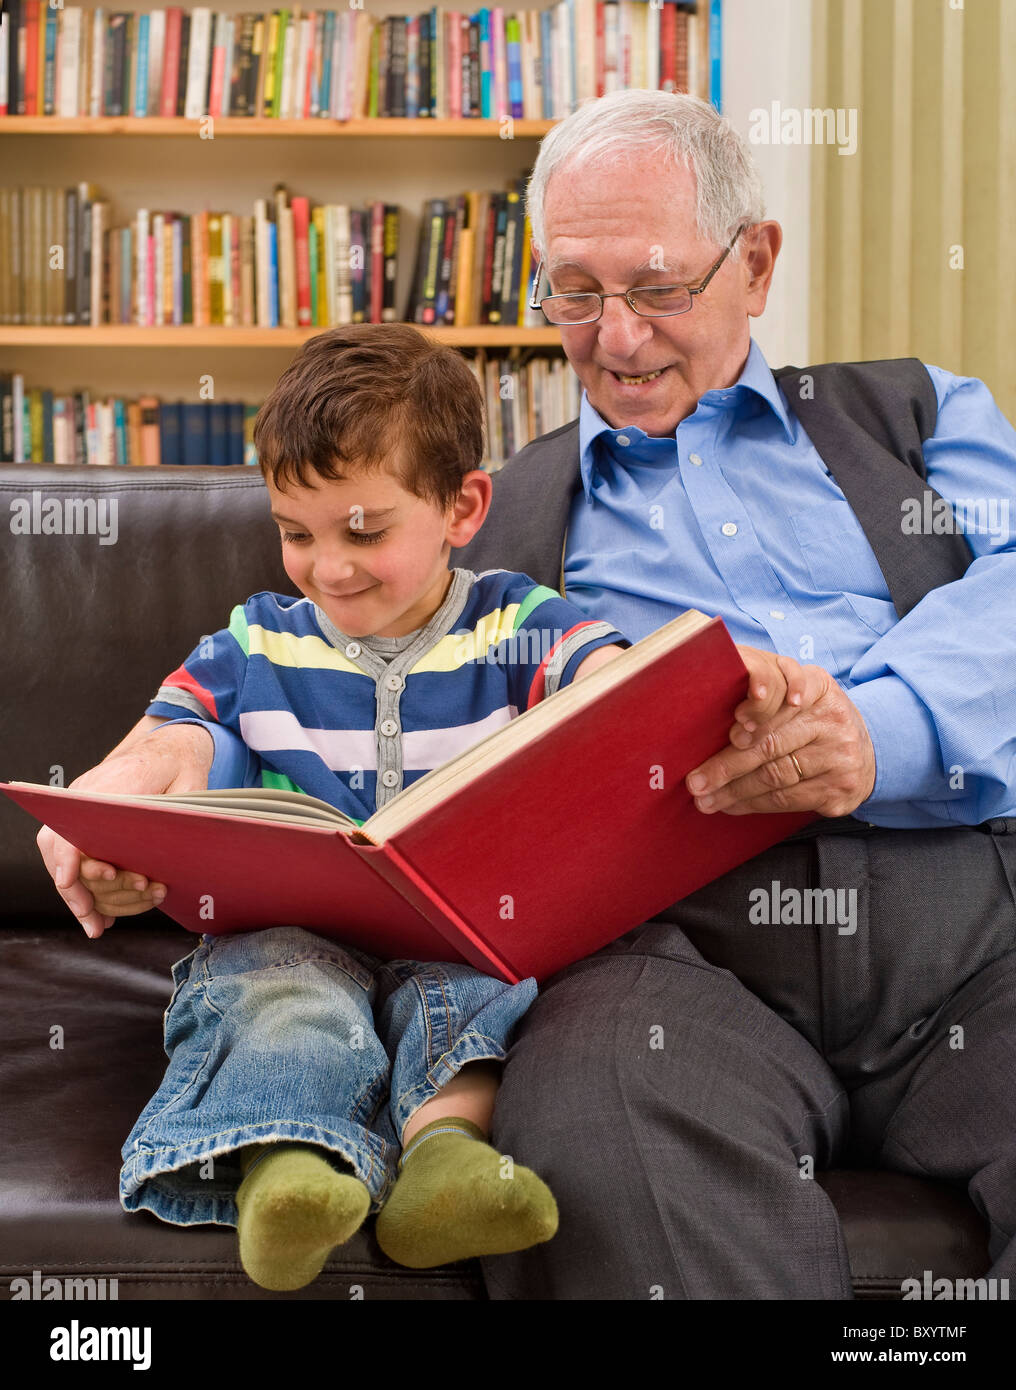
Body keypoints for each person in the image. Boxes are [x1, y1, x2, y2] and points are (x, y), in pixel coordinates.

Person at [40, 87, 1016, 1299]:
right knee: (597, 1137)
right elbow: (277, 703)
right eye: (573, 292)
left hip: (974, 923)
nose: (616, 338)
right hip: (674, 956)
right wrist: (148, 785)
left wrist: (878, 727)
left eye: (657, 287)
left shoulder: (915, 414)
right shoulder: (473, 536)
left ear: (755, 265)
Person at [43, 320, 808, 1293]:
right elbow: (169, 739)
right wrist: (113, 817)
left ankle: (445, 1160)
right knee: (277, 996)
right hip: (290, 935)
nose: (328, 567)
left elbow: (607, 682)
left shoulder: (516, 623)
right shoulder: (255, 643)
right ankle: (291, 1168)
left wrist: (672, 693)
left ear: (462, 508)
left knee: (477, 1005)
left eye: (364, 531)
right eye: (296, 533)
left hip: (459, 936)